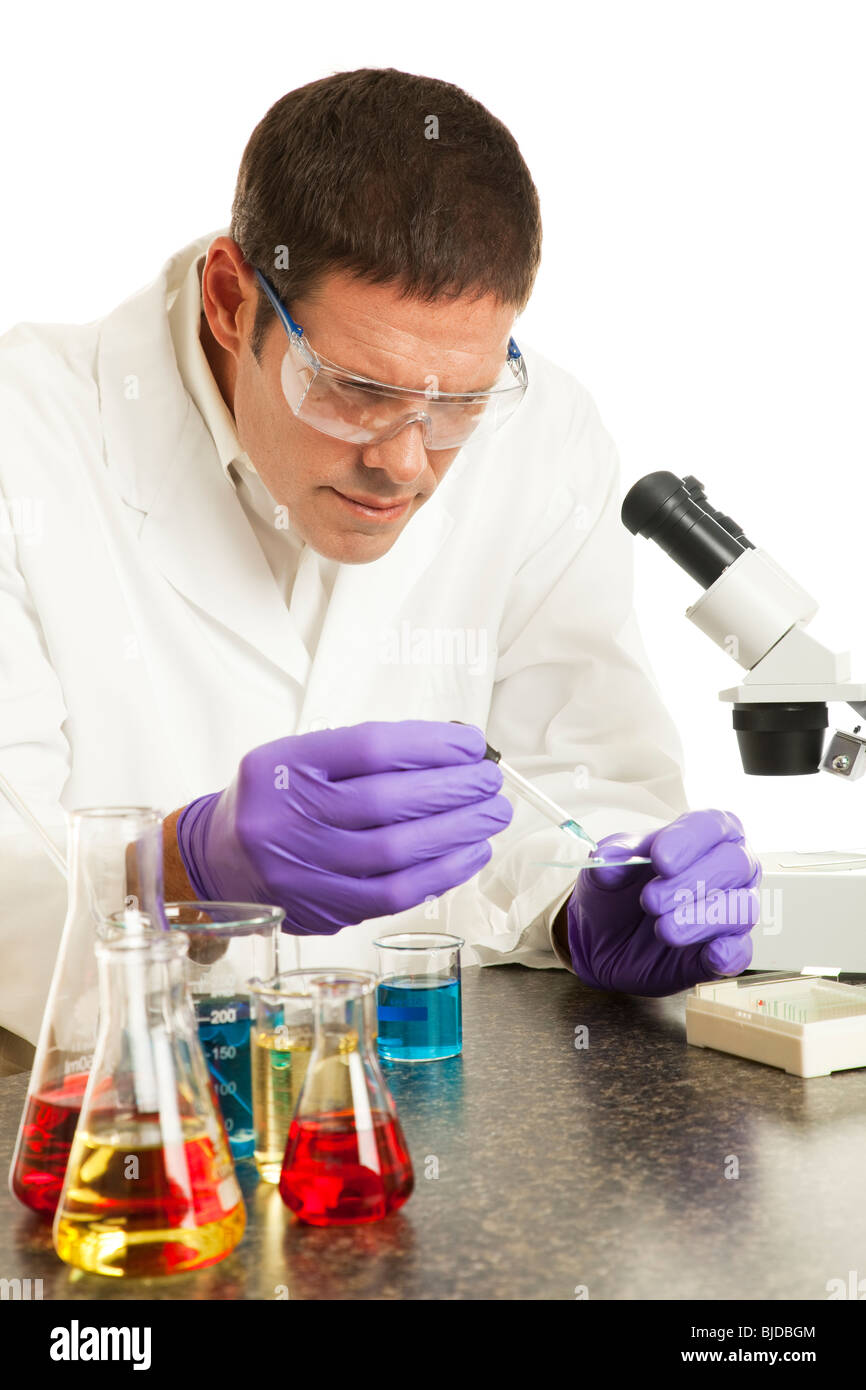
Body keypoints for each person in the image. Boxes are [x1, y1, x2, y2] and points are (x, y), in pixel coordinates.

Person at [0, 67, 759, 1059]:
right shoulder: (28, 437)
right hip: (118, 1139)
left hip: (419, 1112)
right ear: (233, 300)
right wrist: (180, 874)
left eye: (456, 405)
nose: (404, 462)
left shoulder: (542, 431)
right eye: (355, 389)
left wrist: (590, 901)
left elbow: (574, 788)